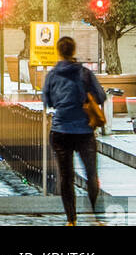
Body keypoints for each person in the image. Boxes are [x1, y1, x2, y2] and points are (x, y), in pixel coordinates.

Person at [42, 35, 106, 226]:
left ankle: (71, 220)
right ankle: (96, 216)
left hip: (60, 130)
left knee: (66, 176)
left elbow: (49, 101)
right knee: (91, 174)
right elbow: (101, 96)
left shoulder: (52, 75)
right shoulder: (85, 73)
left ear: (59, 51)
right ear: (74, 50)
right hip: (84, 130)